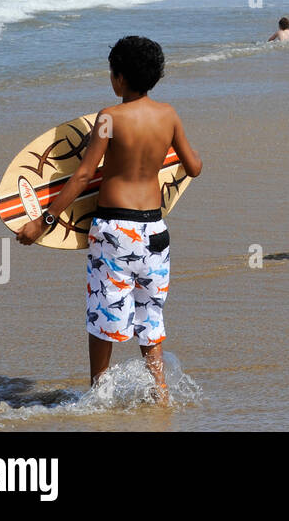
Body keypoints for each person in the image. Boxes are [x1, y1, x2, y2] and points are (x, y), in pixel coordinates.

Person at [16, 36, 202, 402]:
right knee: (150, 315)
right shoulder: (170, 115)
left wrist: (44, 222)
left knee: (106, 311)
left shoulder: (109, 118)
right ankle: (159, 391)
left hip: (115, 232)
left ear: (118, 78)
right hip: (156, 232)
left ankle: (97, 394)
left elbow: (84, 175)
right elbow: (193, 167)